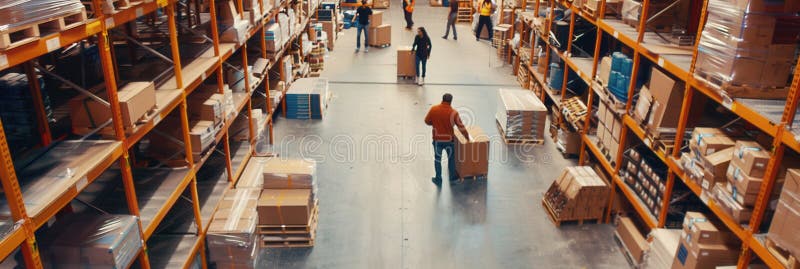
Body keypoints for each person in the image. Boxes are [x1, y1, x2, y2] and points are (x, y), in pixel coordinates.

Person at [424, 93, 470, 185]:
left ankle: (438, 179)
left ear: (442, 99)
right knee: (451, 159)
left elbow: (426, 121)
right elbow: (461, 128)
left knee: (437, 159)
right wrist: (467, 138)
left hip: (437, 140)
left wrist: (434, 124)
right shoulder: (454, 113)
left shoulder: (434, 109)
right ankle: (452, 178)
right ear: (451, 101)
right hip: (449, 141)